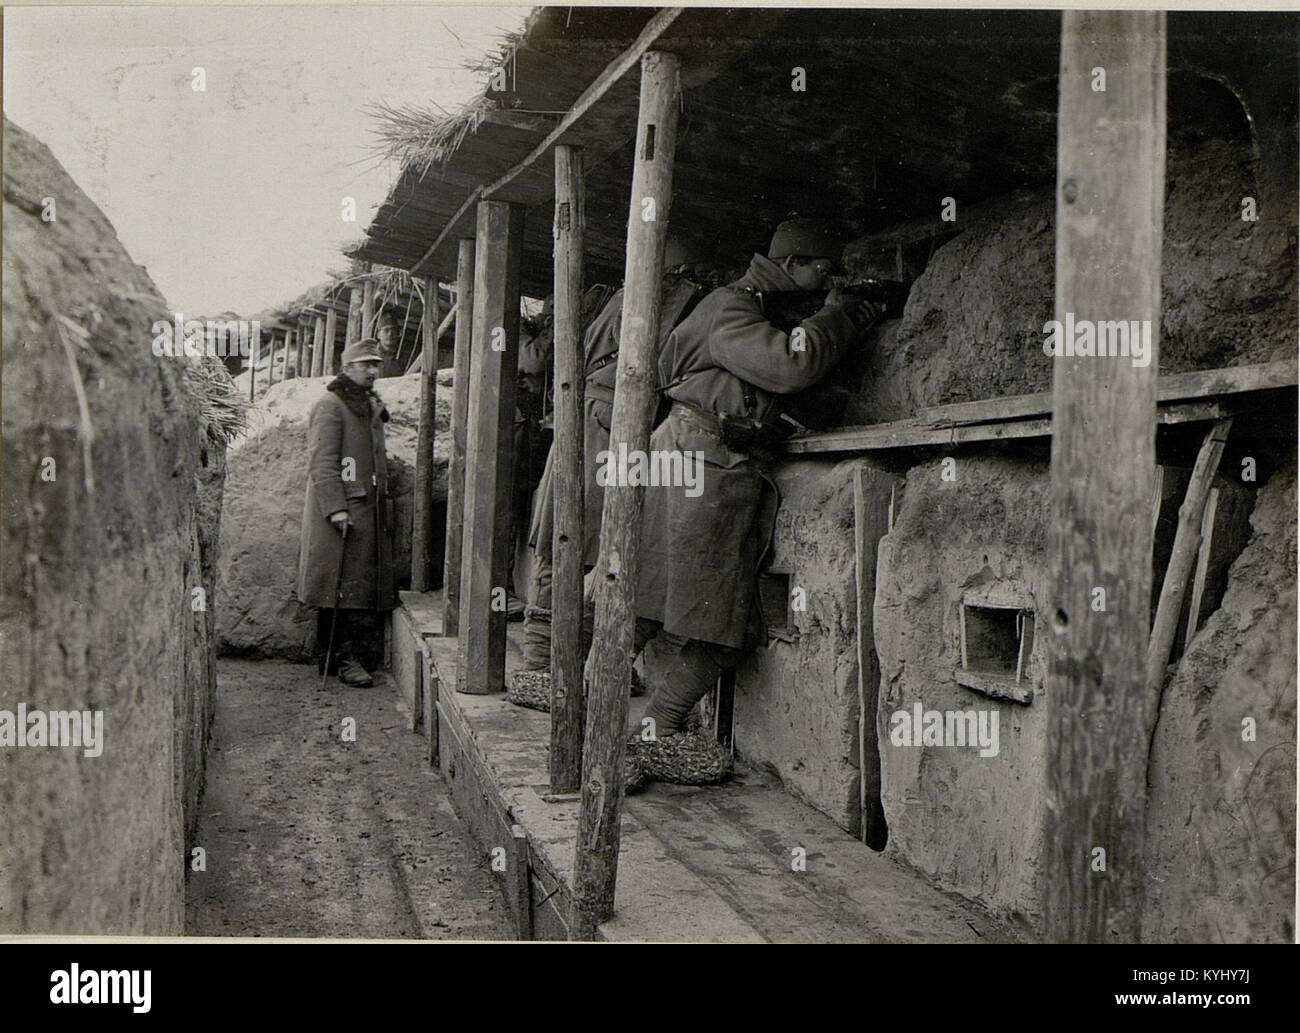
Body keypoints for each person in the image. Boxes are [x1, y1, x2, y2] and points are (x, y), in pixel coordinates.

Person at [625, 219, 883, 737]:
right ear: (791, 265)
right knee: (724, 622)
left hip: (693, 455)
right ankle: (654, 732)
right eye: (821, 270)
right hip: (707, 464)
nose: (826, 281)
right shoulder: (733, 307)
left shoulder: (743, 306)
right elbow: (790, 366)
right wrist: (838, 317)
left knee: (650, 602)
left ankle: (600, 706)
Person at [519, 238, 713, 673]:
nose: (693, 283)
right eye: (689, 273)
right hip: (602, 429)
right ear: (674, 273)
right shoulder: (647, 299)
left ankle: (559, 662)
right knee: (575, 545)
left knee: (572, 543)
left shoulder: (620, 299)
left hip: (592, 425)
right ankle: (544, 665)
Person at [296, 338, 397, 686]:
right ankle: (344, 660)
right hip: (342, 512)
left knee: (353, 586)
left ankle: (332, 657)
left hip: (366, 509)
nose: (373, 370)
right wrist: (336, 509)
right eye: (365, 364)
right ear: (347, 367)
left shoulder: (366, 404)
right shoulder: (331, 404)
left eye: (376, 364)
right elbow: (322, 463)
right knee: (339, 587)